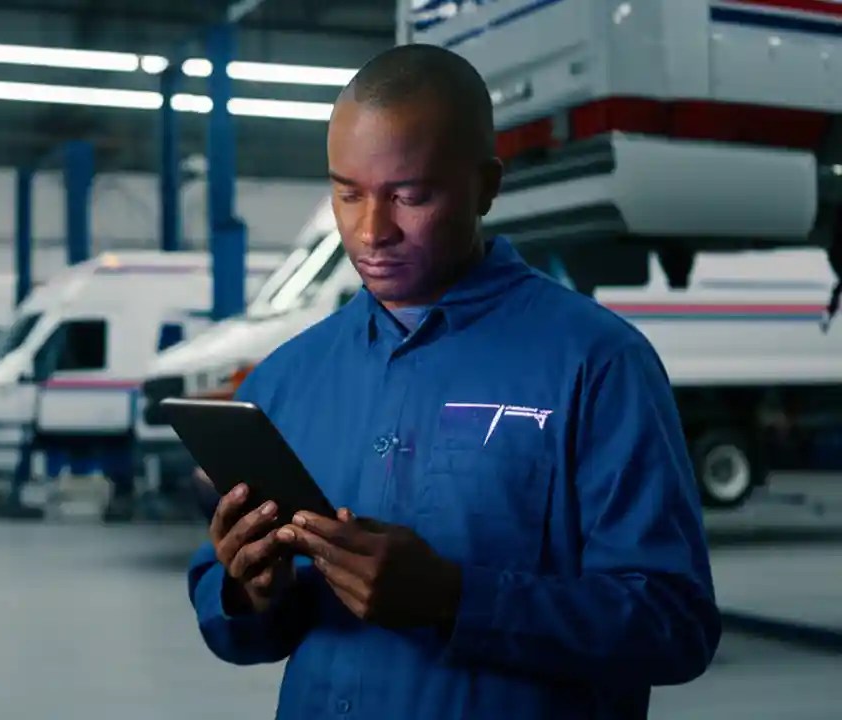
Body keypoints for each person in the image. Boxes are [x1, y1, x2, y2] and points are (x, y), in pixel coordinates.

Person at [185, 43, 720, 719]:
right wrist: (246, 590)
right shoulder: (285, 379)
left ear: (487, 185)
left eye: (410, 195)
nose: (372, 230)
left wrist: (453, 598)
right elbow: (232, 615)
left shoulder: (597, 364)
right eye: (347, 193)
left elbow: (675, 625)